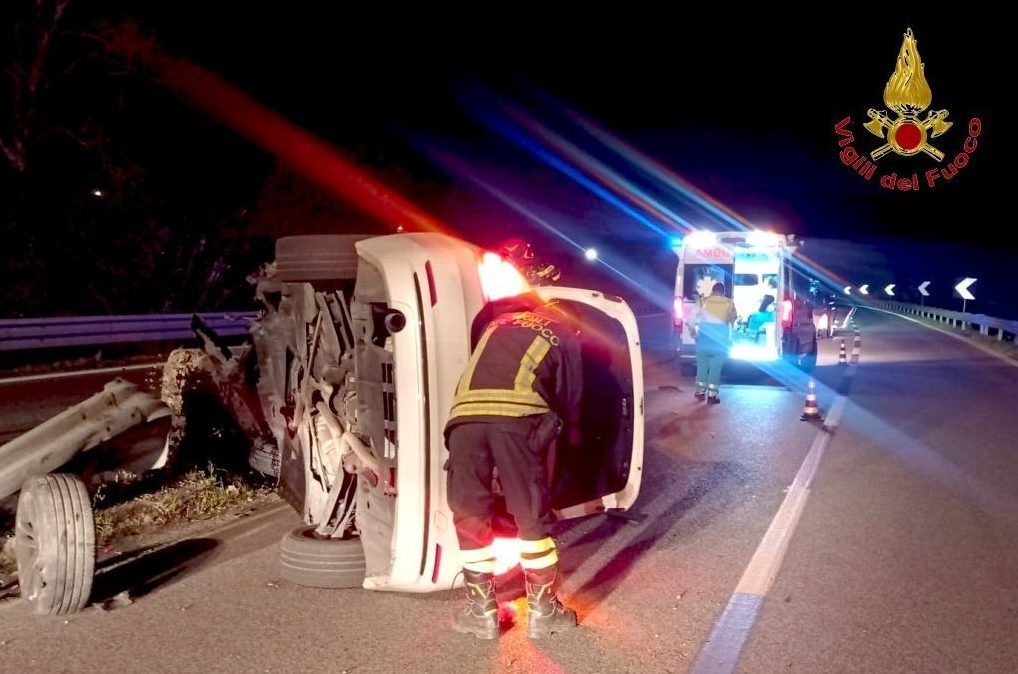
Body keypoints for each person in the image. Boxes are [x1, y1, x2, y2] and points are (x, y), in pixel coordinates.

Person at [445, 297, 583, 640]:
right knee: (529, 513)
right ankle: (544, 612)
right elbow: (571, 397)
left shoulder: (498, 324)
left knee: (469, 512)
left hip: (464, 420)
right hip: (518, 419)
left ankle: (481, 614)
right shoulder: (564, 331)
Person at [688, 282, 737, 404]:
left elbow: (690, 321)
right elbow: (732, 321)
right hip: (719, 342)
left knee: (702, 367)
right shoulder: (729, 303)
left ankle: (700, 392)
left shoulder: (702, 301)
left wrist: (693, 333)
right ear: (723, 292)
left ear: (712, 291)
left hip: (703, 340)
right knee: (715, 369)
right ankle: (712, 396)